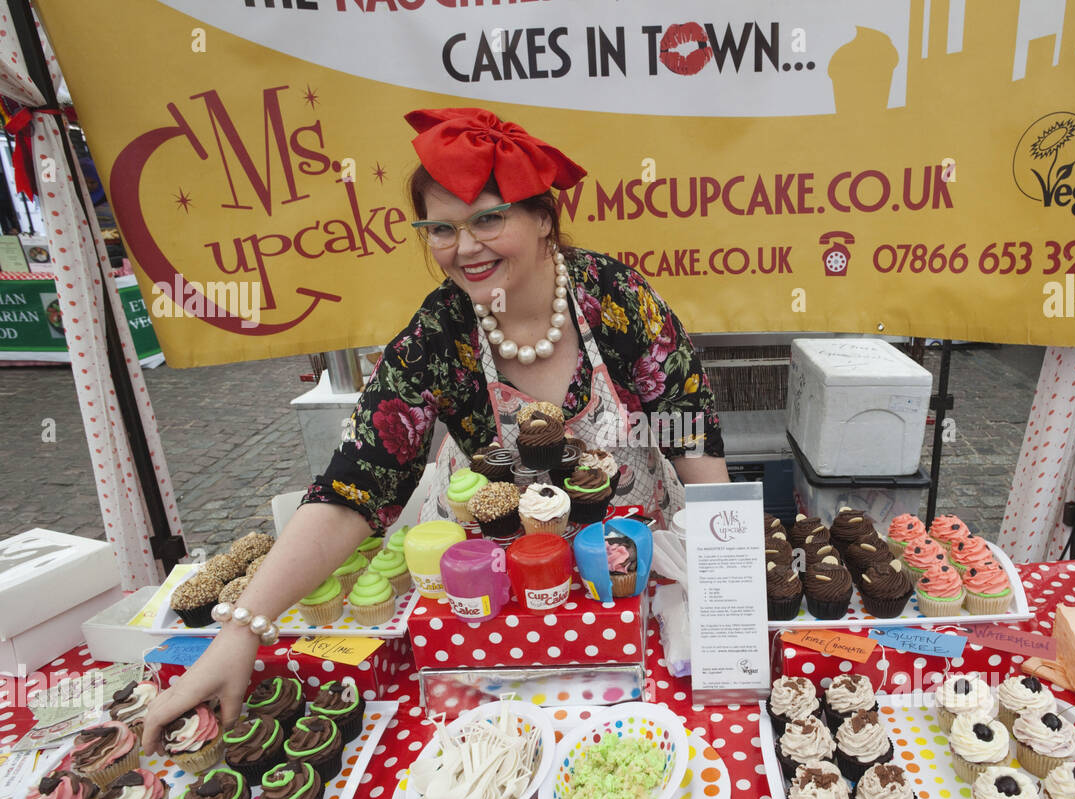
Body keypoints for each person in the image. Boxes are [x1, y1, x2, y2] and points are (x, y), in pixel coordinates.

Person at [142, 108, 729, 751]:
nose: (466, 247)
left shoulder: (615, 298)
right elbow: (354, 486)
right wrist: (241, 631)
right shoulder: (439, 333)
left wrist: (721, 578)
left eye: (487, 217)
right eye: (442, 229)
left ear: (541, 220)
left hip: (630, 573)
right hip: (499, 591)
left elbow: (690, 434)